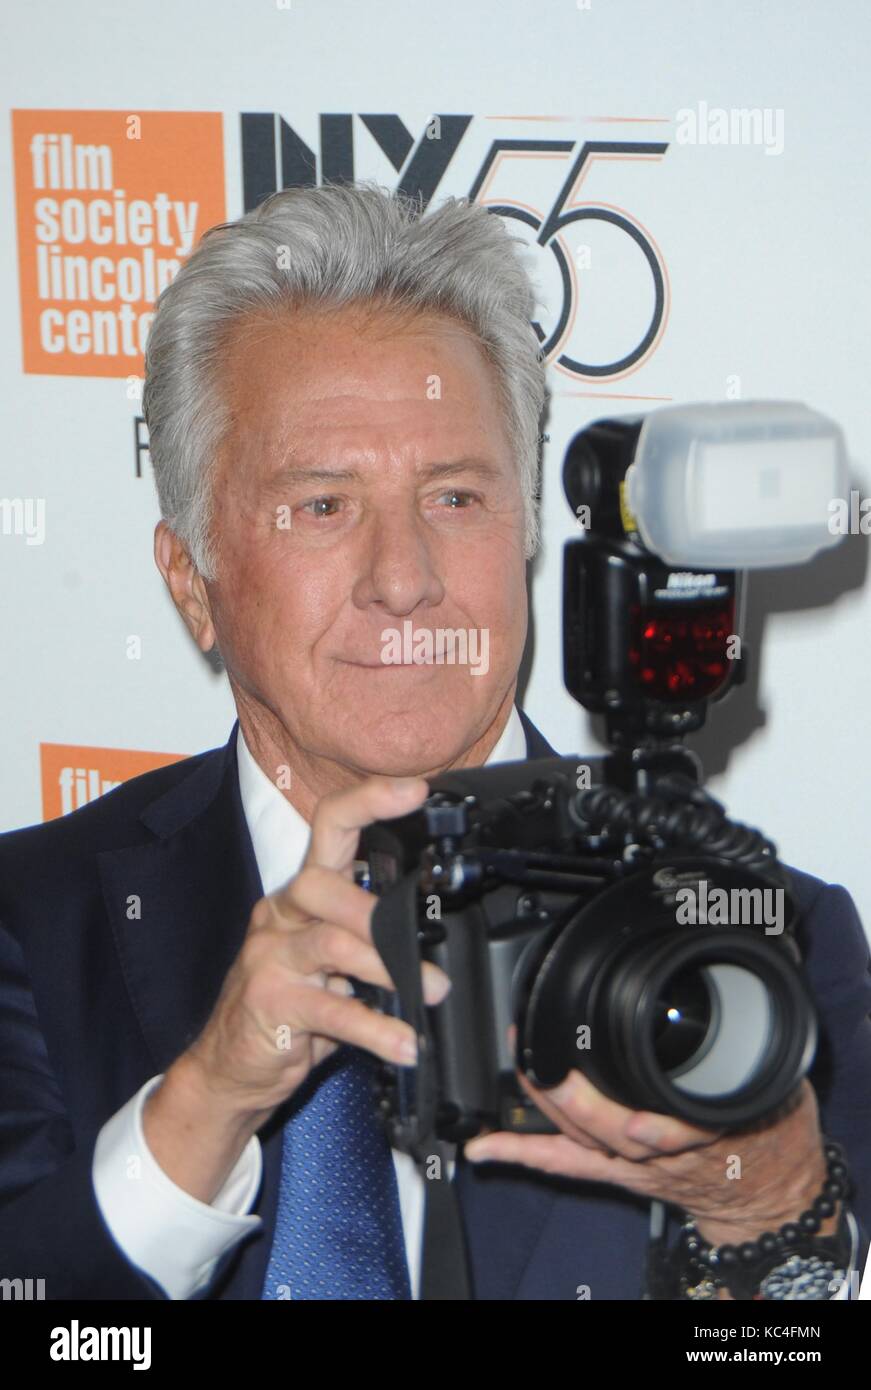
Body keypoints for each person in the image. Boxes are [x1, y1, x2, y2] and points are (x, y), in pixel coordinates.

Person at [1, 182, 869, 1301]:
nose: (405, 581)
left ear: (525, 540)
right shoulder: (32, 921)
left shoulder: (758, 941)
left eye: (455, 497)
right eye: (322, 505)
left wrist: (774, 1211)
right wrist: (206, 1102)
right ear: (192, 581)